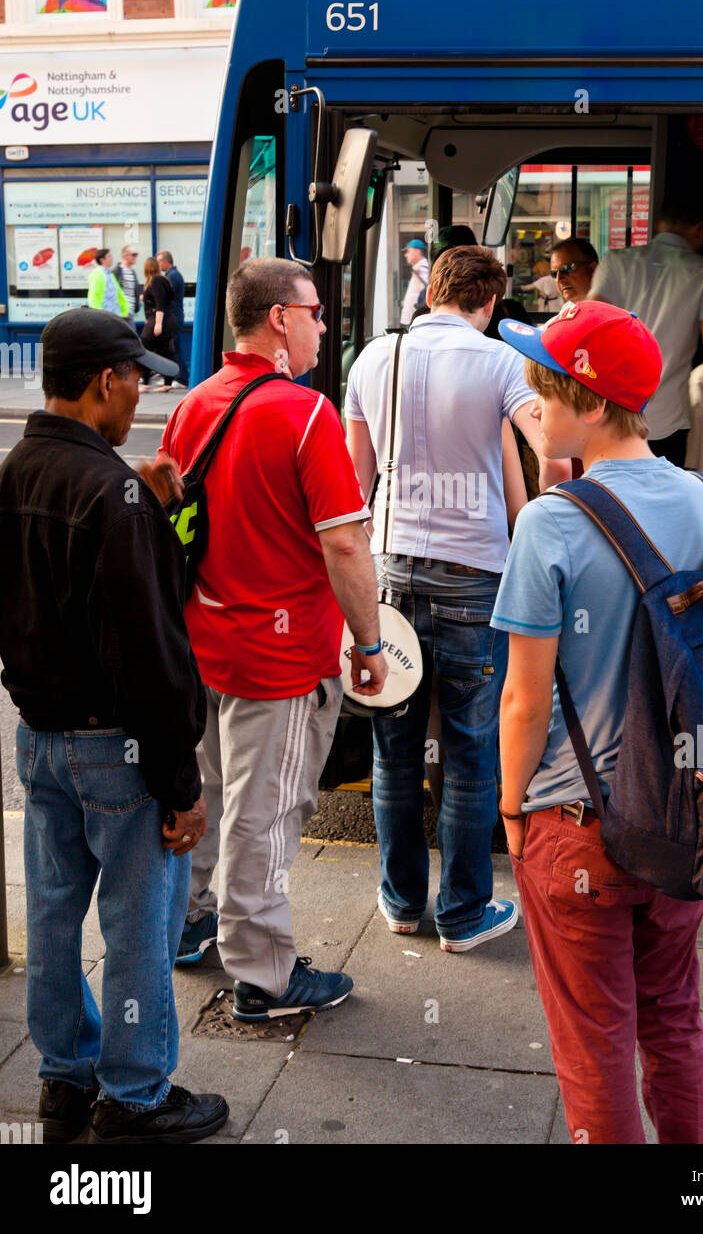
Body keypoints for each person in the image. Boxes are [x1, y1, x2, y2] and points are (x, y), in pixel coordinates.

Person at [492, 298, 703, 1145]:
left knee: (594, 1041)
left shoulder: (550, 524)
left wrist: (511, 808)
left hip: (578, 819)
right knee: (673, 1019)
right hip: (686, 815)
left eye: (547, 392)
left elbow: (524, 698)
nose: (535, 409)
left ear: (593, 405)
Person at [0, 308, 228, 1145]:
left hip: (40, 737)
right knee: (140, 924)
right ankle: (134, 1096)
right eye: (137, 379)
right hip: (118, 749)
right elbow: (151, 651)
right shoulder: (115, 494)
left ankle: (64, 1076)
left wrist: (147, 505)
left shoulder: (17, 469)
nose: (142, 394)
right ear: (105, 384)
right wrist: (181, 787)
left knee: (55, 913)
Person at [157, 257, 387, 1021]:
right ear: (280, 320)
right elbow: (346, 545)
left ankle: (187, 927)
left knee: (209, 797)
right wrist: (371, 641)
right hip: (280, 662)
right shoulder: (306, 413)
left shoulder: (197, 404)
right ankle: (266, 978)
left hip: (203, 645)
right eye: (316, 311)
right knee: (265, 815)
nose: (323, 325)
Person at [345, 245, 570, 952]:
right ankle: (464, 914)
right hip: (474, 579)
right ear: (491, 302)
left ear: (433, 290)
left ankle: (401, 902)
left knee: (395, 746)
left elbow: (355, 489)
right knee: (473, 753)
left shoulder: (373, 358)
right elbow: (555, 455)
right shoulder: (501, 362)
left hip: (389, 576)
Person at [589, 202, 703, 466]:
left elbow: (589, 329)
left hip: (610, 414)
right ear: (702, 230)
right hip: (669, 421)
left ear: (659, 226)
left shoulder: (615, 263)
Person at [139, 256, 178, 392]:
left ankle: (145, 382)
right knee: (164, 351)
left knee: (144, 348)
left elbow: (160, 303)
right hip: (163, 320)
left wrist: (157, 324)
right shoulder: (161, 280)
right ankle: (167, 384)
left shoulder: (156, 281)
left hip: (161, 321)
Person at [157, 250, 189, 386]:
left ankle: (181, 378)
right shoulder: (172, 275)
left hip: (173, 316)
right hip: (174, 316)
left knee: (175, 347)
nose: (158, 265)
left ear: (165, 262)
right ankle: (174, 376)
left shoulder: (173, 276)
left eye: (159, 262)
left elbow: (166, 298)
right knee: (171, 347)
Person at [549, 238, 599, 309]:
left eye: (567, 268)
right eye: (554, 273)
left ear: (593, 269)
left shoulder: (612, 310)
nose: (559, 279)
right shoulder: (567, 309)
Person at [86, 248, 129, 318]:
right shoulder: (98, 275)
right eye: (109, 256)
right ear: (102, 260)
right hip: (104, 318)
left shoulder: (110, 274)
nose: (112, 258)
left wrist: (124, 311)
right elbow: (93, 297)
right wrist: (99, 315)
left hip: (115, 316)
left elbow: (118, 294)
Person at [400, 239, 429, 325]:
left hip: (415, 320)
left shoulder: (422, 267)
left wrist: (415, 274)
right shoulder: (418, 267)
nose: (405, 255)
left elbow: (425, 289)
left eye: (408, 251)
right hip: (413, 319)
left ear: (417, 251)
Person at [111, 244, 141, 326]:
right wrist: (121, 310)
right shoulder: (117, 271)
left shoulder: (132, 272)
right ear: (125, 255)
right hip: (121, 313)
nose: (135, 257)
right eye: (133, 254)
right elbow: (112, 292)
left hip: (130, 312)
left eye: (136, 255)